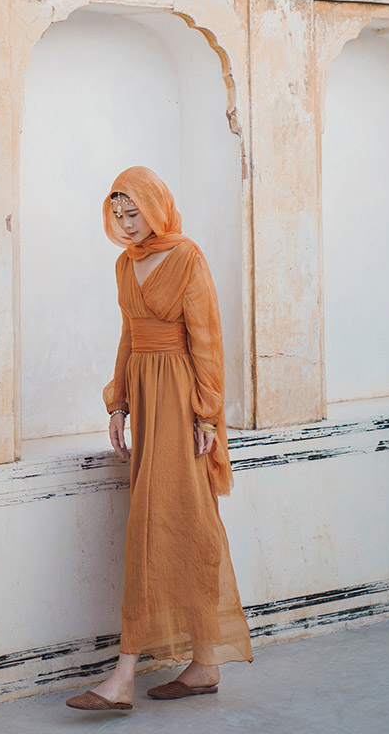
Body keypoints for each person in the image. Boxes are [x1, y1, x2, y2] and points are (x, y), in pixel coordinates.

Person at [66, 166, 252, 711]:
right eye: (117, 215)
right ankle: (204, 665)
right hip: (145, 400)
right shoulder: (125, 264)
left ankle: (124, 677)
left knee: (174, 520)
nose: (126, 225)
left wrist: (206, 417)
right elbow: (128, 334)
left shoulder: (188, 256)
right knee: (179, 519)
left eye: (135, 213)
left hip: (181, 399)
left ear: (156, 208)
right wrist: (118, 402)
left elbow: (208, 340)